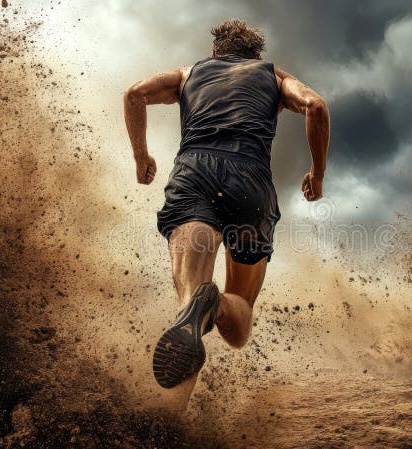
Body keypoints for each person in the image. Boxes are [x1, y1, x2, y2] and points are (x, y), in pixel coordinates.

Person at [123, 18, 330, 390]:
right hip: (250, 184)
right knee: (239, 324)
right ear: (255, 55)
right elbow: (315, 106)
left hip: (194, 174)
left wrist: (141, 157)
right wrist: (317, 173)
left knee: (188, 302)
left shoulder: (189, 73)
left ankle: (171, 420)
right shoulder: (274, 76)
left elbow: (134, 94)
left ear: (215, 52)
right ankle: (216, 305)